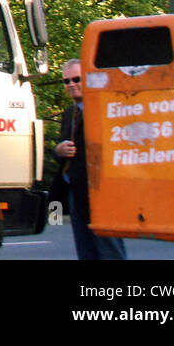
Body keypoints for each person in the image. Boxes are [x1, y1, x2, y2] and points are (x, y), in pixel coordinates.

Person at [54, 58, 127, 260]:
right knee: (86, 251)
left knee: (109, 250)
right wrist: (59, 150)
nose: (71, 84)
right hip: (75, 192)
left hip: (100, 191)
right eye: (67, 81)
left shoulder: (105, 108)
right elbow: (62, 146)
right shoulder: (70, 113)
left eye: (77, 79)